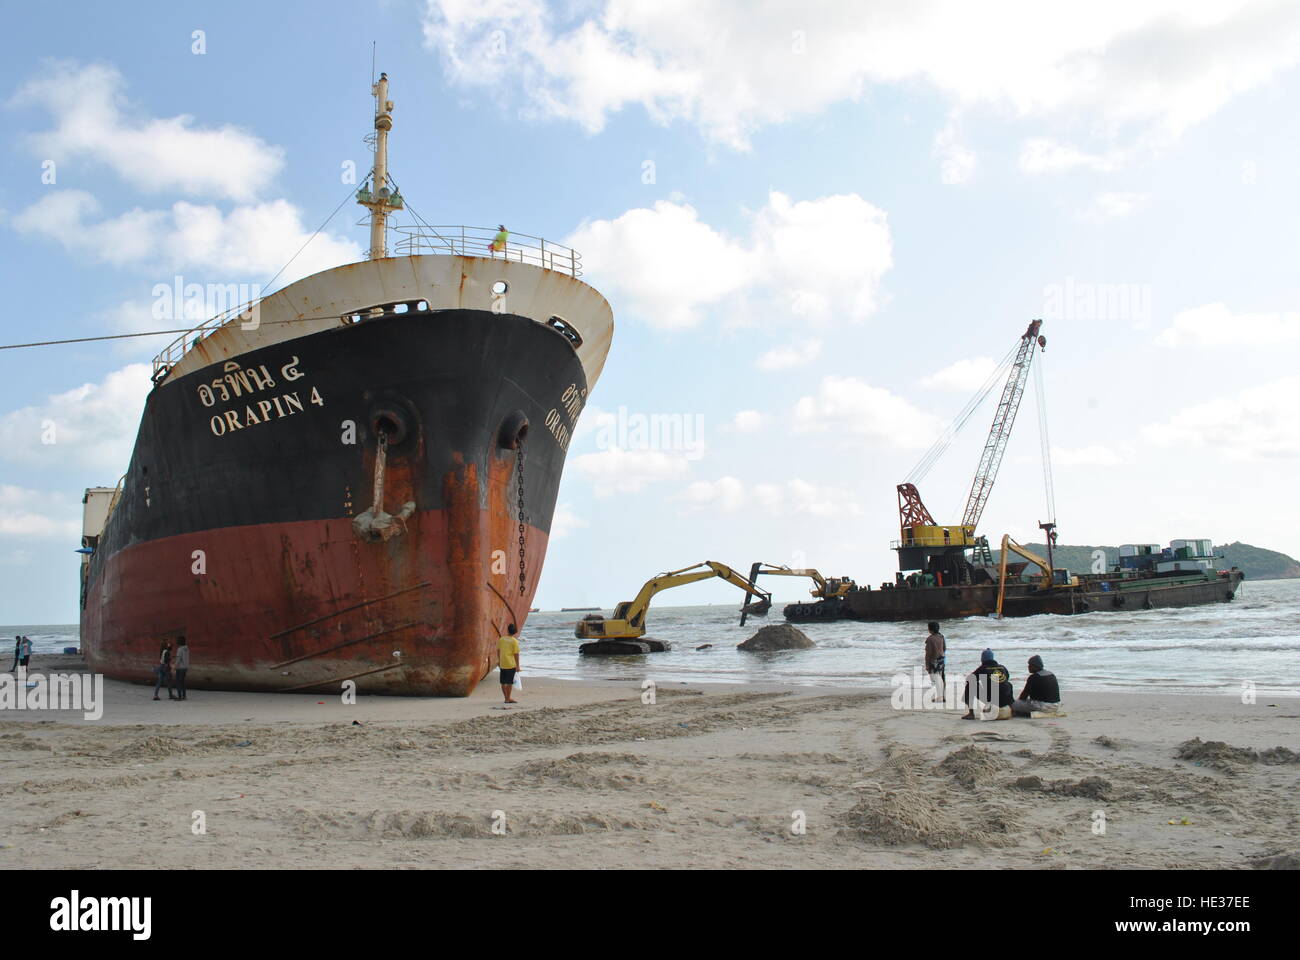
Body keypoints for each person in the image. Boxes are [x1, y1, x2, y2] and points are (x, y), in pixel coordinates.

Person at [962, 648, 1013, 720]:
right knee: (1008, 684)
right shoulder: (1002, 667)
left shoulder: (983, 668)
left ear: (982, 659)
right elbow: (1006, 678)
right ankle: (1012, 709)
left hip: (993, 699)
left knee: (970, 684)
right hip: (1005, 701)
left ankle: (971, 713)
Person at [924, 621, 946, 705]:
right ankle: (941, 696)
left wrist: (927, 665)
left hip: (934, 661)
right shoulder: (941, 636)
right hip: (941, 660)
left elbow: (928, 654)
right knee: (939, 678)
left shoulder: (930, 639)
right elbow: (944, 648)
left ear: (930, 630)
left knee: (935, 679)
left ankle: (939, 697)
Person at [498, 624, 520, 704]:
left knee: (503, 682)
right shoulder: (514, 641)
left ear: (507, 630)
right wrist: (518, 666)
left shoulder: (502, 639)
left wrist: (499, 661)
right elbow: (516, 654)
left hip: (503, 663)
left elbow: (498, 650)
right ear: (514, 632)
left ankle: (506, 698)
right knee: (509, 683)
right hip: (511, 664)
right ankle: (508, 699)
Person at [173, 637, 190, 701]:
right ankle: (184, 696)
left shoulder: (180, 649)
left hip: (180, 668)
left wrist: (174, 666)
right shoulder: (187, 649)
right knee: (182, 682)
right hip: (185, 667)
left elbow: (178, 659)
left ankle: (179, 696)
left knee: (178, 682)